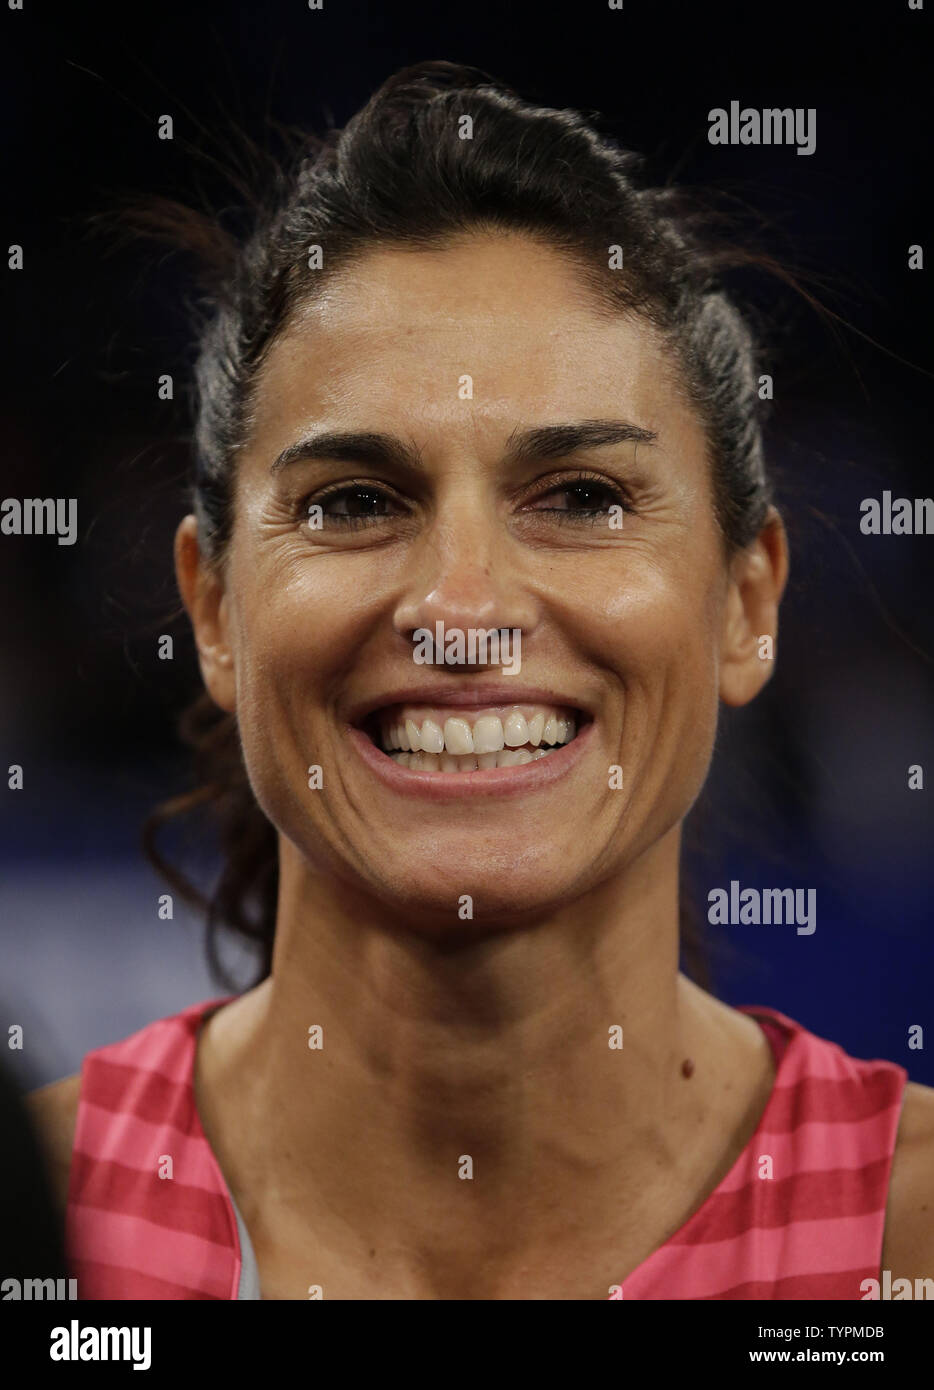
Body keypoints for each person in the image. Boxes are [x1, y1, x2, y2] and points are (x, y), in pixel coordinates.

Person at [27, 60, 934, 1300]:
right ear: (215, 610)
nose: (462, 608)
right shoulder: (40, 1236)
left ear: (745, 603)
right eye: (353, 501)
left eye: (580, 499)